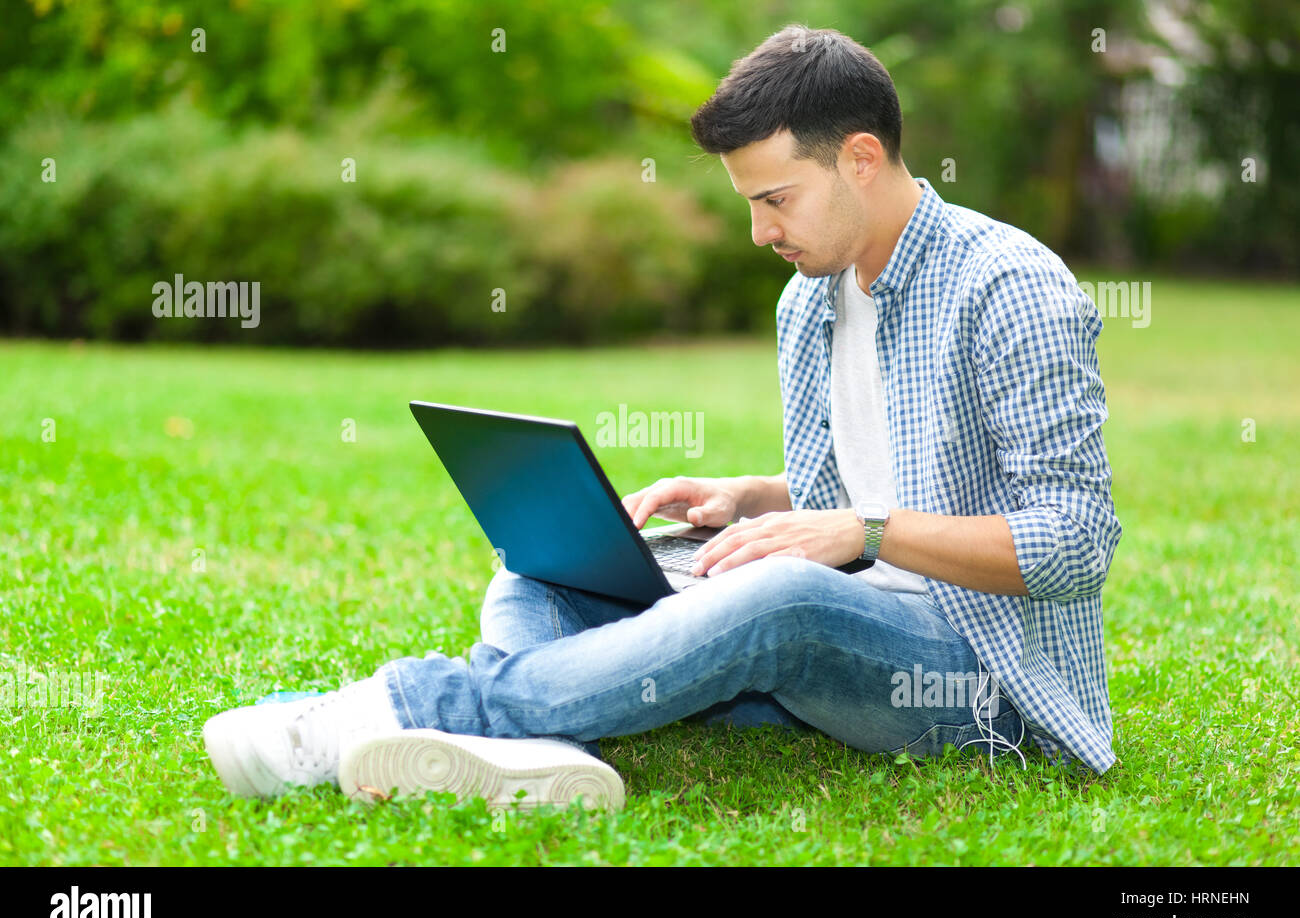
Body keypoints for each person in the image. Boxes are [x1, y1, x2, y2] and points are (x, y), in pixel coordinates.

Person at [203, 24, 1123, 810]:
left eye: (774, 199)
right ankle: (547, 756)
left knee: (779, 597)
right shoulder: (810, 301)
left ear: (861, 159)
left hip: (980, 676)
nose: (761, 233)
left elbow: (1075, 543)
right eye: (750, 204)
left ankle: (400, 712)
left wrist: (861, 531)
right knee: (550, 560)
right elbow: (858, 492)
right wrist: (753, 499)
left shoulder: (1010, 288)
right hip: (831, 640)